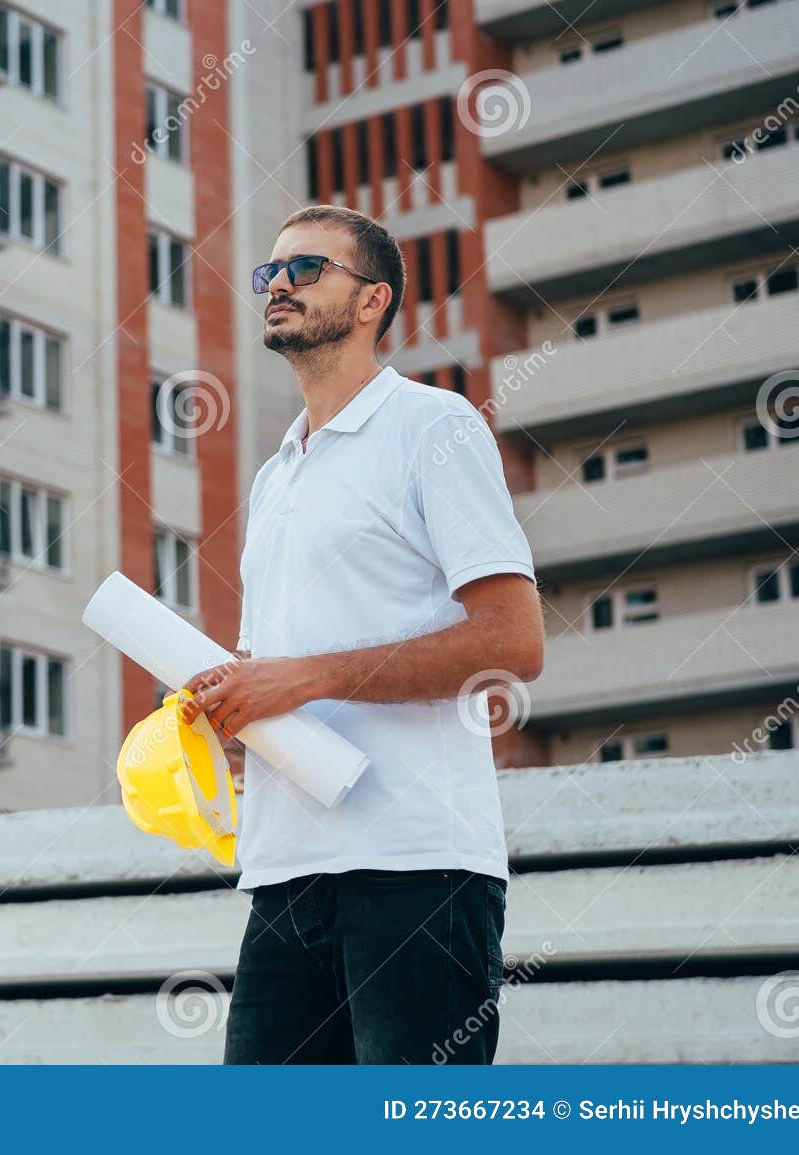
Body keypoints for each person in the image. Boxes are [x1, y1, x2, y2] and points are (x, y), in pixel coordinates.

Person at [180, 204, 543, 1065]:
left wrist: (300, 679)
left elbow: (513, 641)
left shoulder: (434, 428)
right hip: (285, 874)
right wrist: (238, 708)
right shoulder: (276, 474)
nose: (278, 286)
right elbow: (276, 671)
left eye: (305, 269)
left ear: (374, 299)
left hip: (416, 866)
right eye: (270, 273)